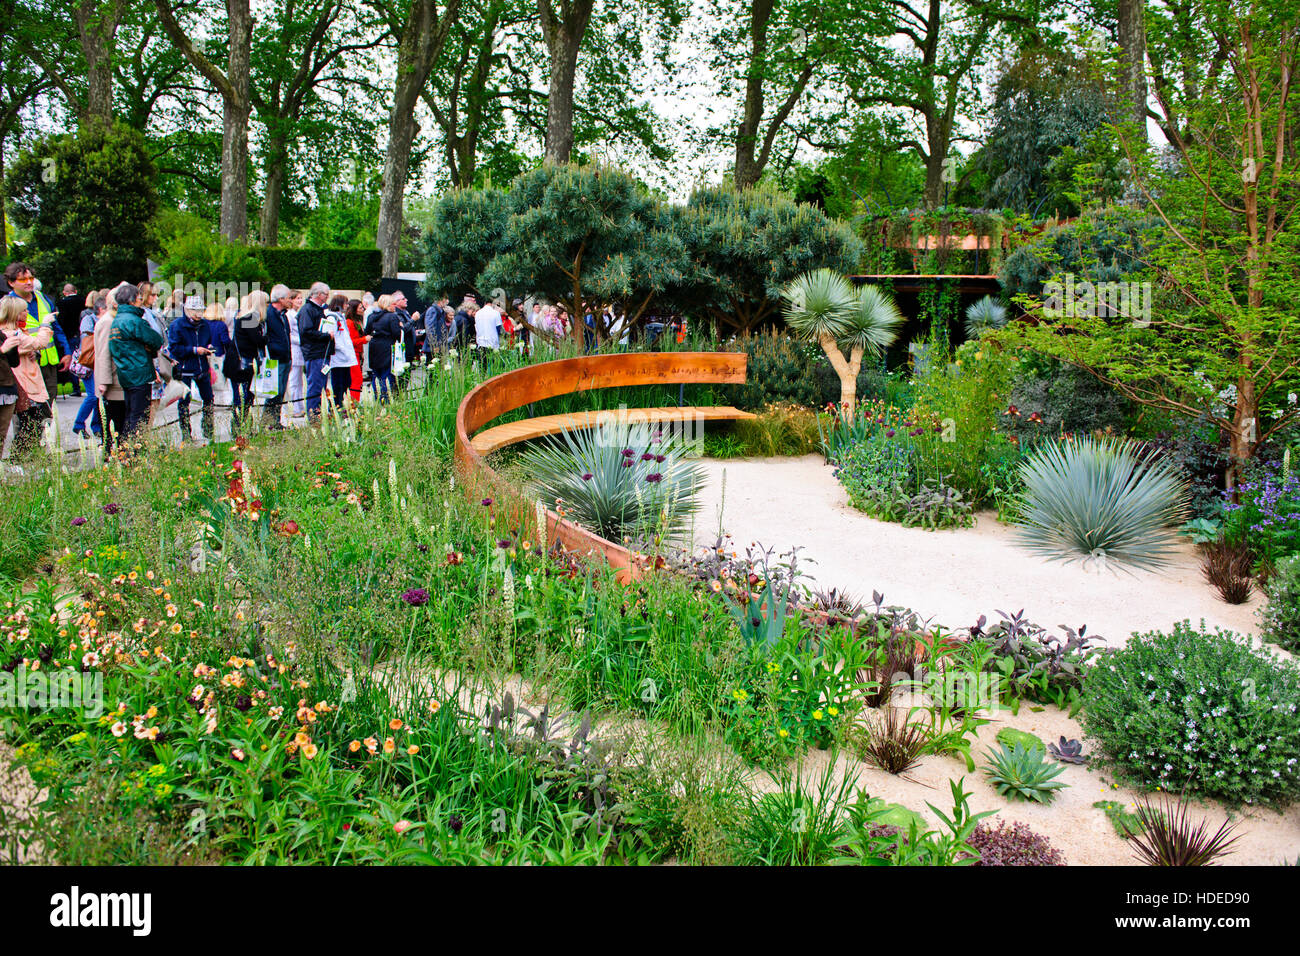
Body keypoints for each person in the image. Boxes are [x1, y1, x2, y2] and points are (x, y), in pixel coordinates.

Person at [4, 262, 72, 405]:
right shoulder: (7, 304)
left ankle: (50, 428)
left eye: (31, 278)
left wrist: (66, 352)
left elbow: (56, 327)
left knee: (50, 406)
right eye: (23, 279)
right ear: (11, 282)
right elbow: (5, 334)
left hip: (48, 360)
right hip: (24, 363)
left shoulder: (43, 298)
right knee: (26, 408)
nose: (29, 282)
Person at [107, 283, 162, 449]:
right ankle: (134, 453)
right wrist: (145, 347)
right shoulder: (134, 321)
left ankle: (127, 451)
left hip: (126, 373)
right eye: (139, 298)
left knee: (130, 415)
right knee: (139, 418)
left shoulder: (116, 320)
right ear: (132, 301)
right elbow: (156, 340)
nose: (141, 301)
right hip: (140, 373)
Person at [0, 295, 53, 463]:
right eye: (23, 310)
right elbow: (39, 342)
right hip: (20, 382)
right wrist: (45, 324)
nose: (26, 312)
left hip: (19, 381)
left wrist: (21, 350)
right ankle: (19, 458)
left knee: (29, 420)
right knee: (28, 421)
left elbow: (16, 357)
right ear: (14, 313)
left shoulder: (15, 331)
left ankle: (27, 457)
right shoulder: (9, 332)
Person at [168, 297, 217, 444]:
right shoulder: (177, 325)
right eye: (195, 311)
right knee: (184, 401)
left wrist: (208, 348)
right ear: (187, 310)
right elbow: (174, 348)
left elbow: (209, 341)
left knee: (208, 398)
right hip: (184, 368)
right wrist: (195, 350)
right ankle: (186, 435)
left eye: (201, 311)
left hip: (202, 367)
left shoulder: (205, 325)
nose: (198, 314)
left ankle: (208, 429)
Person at [93, 292, 126, 456]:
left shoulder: (112, 320)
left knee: (117, 423)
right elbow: (104, 353)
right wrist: (104, 382)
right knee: (113, 423)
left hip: (115, 380)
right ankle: (112, 455)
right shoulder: (108, 322)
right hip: (112, 383)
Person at [72, 292, 108, 439]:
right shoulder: (89, 319)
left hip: (101, 361)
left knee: (100, 397)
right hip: (90, 363)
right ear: (100, 309)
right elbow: (86, 341)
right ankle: (78, 425)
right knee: (93, 396)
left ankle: (97, 426)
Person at [231, 291, 268, 426]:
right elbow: (257, 340)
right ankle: (240, 426)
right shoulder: (249, 319)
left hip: (242, 362)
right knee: (243, 397)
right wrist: (267, 338)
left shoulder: (244, 317)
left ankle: (242, 425)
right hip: (244, 363)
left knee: (245, 397)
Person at [298, 282, 333, 421]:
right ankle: (313, 415)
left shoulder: (319, 309)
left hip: (322, 352)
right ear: (319, 294)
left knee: (322, 385)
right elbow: (306, 331)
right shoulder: (307, 309)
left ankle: (320, 411)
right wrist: (325, 335)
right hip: (314, 352)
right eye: (326, 294)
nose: (327, 297)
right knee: (315, 385)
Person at [263, 284, 293, 430]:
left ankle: (275, 421)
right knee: (273, 392)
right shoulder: (269, 315)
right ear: (280, 299)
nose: (290, 300)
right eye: (288, 297)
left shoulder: (283, 315)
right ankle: (268, 421)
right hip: (274, 359)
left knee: (280, 392)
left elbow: (286, 336)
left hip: (285, 359)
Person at [363, 293, 402, 402]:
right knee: (386, 375)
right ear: (388, 305)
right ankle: (386, 399)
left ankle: (377, 398)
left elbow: (366, 332)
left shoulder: (372, 317)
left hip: (374, 347)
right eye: (393, 304)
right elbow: (396, 334)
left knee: (376, 375)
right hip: (387, 347)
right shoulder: (392, 317)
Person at [323, 294, 357, 411]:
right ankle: (335, 406)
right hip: (337, 357)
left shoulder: (340, 317)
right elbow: (331, 336)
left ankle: (342, 404)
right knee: (338, 384)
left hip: (345, 358)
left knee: (347, 382)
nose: (347, 306)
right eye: (346, 303)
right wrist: (342, 349)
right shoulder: (331, 318)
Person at [345, 299, 369, 404]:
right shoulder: (349, 323)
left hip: (357, 353)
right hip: (352, 354)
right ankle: (354, 403)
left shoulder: (357, 322)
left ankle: (355, 402)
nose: (363, 309)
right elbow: (350, 341)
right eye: (360, 307)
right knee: (357, 379)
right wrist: (364, 339)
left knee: (357, 379)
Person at [287, 290, 306, 418]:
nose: (300, 301)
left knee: (299, 381)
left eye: (300, 298)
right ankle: (294, 407)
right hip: (294, 348)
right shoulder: (290, 315)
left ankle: (299, 406)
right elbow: (290, 334)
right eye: (297, 298)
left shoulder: (298, 313)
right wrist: (302, 340)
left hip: (299, 349)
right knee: (294, 380)